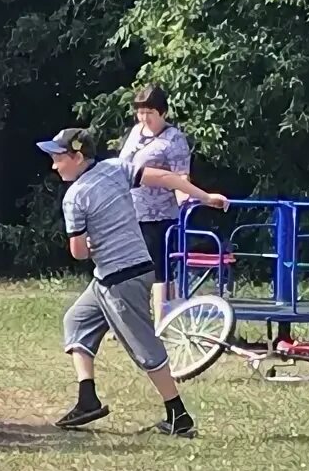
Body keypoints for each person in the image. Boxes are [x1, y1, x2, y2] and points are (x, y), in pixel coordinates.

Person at [36, 127, 228, 437]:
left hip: (119, 279)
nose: (54, 165)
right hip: (122, 273)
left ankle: (178, 416)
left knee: (145, 348)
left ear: (78, 157)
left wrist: (92, 246)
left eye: (58, 158)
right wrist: (205, 197)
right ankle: (88, 400)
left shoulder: (75, 197)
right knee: (76, 320)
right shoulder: (115, 168)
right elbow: (165, 178)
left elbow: (78, 253)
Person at [118, 84, 192, 325]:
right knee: (129, 268)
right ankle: (130, 321)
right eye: (141, 112)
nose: (144, 117)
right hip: (131, 212)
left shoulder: (174, 139)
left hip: (159, 215)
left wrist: (187, 205)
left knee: (158, 270)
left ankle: (162, 322)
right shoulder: (135, 133)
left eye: (150, 112)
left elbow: (181, 177)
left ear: (163, 113)